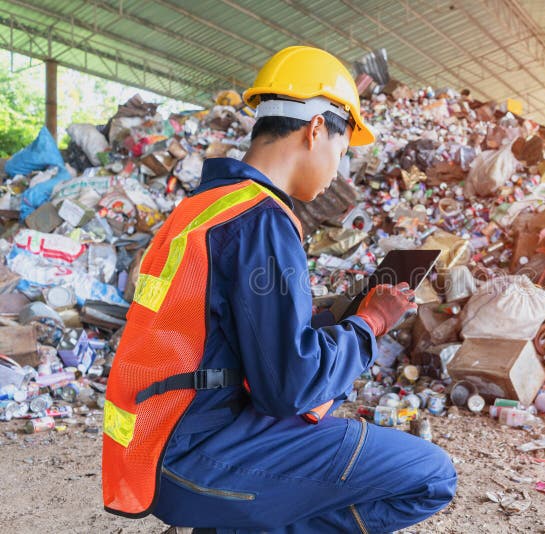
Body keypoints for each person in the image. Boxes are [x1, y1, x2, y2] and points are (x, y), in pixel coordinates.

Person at [101, 46, 457, 533]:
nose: (338, 169)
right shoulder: (262, 220)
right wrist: (372, 321)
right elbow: (289, 387)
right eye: (343, 149)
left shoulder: (207, 206)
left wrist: (330, 316)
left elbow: (224, 333)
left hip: (156, 442)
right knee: (431, 476)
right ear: (316, 130)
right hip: (197, 454)